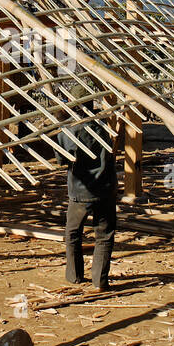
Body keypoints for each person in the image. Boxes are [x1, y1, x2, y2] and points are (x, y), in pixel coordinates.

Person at [56, 119, 118, 290]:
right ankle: (100, 281)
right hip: (105, 188)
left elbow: (61, 160)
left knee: (73, 233)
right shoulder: (104, 126)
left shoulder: (68, 131)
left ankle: (74, 276)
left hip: (80, 190)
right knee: (104, 235)